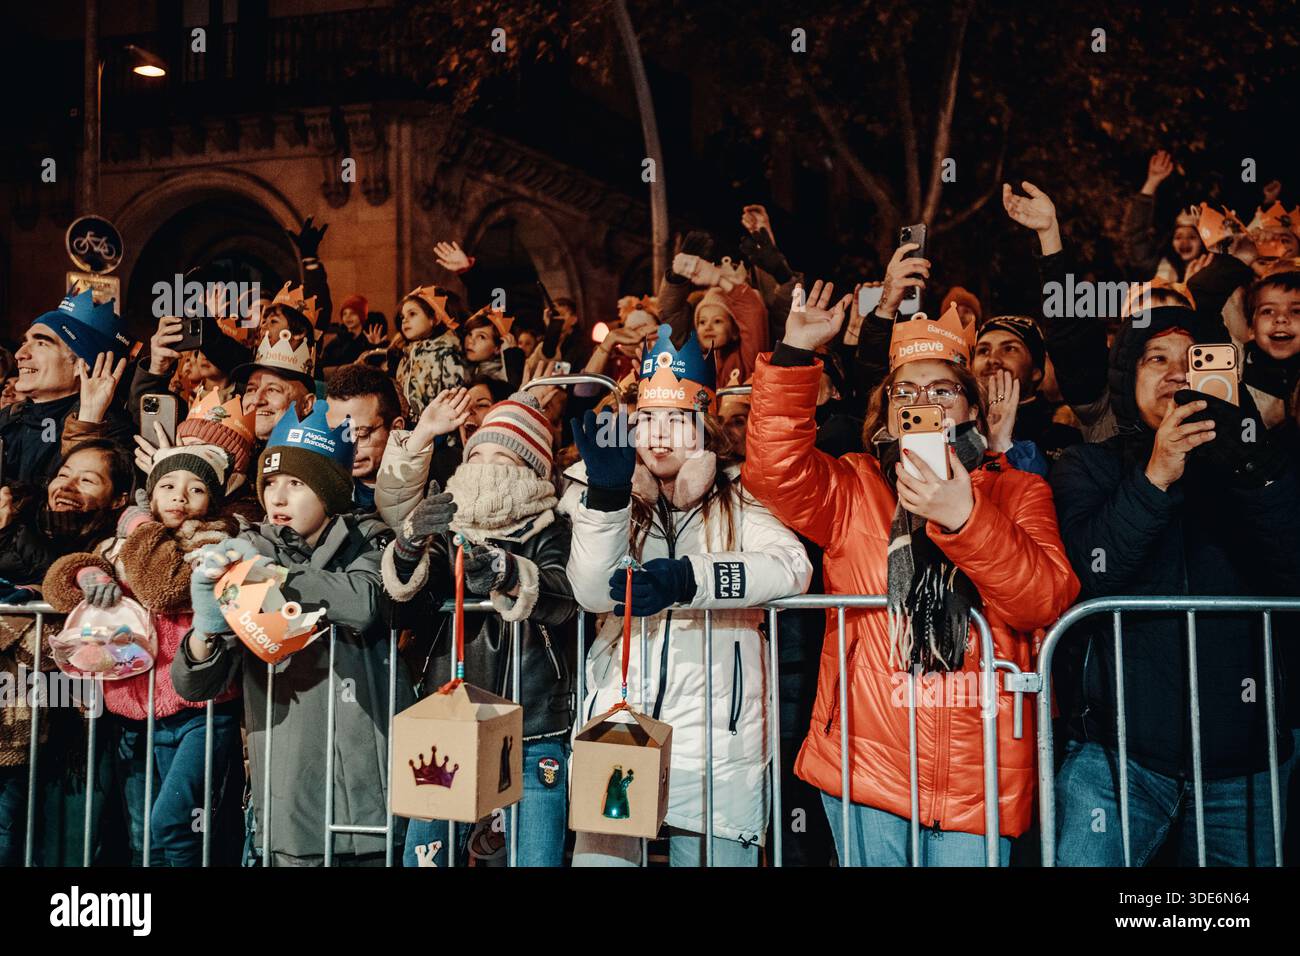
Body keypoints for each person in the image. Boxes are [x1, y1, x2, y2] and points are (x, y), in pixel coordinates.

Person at [743, 279, 1079, 866]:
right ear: (890, 412)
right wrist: (796, 355)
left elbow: (1043, 599)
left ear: (973, 407)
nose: (926, 401)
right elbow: (774, 472)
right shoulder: (855, 486)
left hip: (981, 776)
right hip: (866, 762)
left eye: (944, 390)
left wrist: (965, 517)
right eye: (908, 392)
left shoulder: (1020, 491)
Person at [1049, 304, 1300, 866]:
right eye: (1154, 359)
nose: (1177, 373)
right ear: (1126, 377)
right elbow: (1093, 572)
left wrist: (1251, 462)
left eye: (1195, 359)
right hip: (1118, 758)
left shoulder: (1263, 460)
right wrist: (1156, 475)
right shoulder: (1087, 466)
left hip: (1246, 761)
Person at [566, 320, 812, 867]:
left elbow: (792, 568)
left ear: (704, 425)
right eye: (648, 418)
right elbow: (590, 592)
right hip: (619, 726)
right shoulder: (610, 489)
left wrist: (688, 579)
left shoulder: (741, 496)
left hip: (717, 747)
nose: (658, 434)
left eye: (676, 420)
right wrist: (606, 503)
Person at [171, 401, 412, 866]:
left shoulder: (370, 539)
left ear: (329, 491)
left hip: (369, 794)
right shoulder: (249, 547)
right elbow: (196, 684)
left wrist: (270, 575)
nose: (277, 498)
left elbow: (363, 602)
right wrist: (207, 625)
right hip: (286, 792)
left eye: (296, 484)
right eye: (270, 484)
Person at [381, 391, 576, 867]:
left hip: (534, 723)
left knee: (535, 856)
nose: (488, 466)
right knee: (427, 855)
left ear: (533, 469)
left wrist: (509, 571)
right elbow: (410, 601)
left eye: (505, 455)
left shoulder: (553, 528)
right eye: (479, 454)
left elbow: (562, 595)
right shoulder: (447, 527)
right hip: (449, 719)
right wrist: (408, 548)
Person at [42, 443, 243, 866]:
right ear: (150, 495)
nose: (179, 497)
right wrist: (86, 570)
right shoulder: (121, 545)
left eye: (196, 489)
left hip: (198, 712)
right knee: (143, 839)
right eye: (167, 485)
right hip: (133, 714)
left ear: (213, 501)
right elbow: (57, 589)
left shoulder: (216, 544)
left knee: (174, 828)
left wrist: (139, 528)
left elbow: (164, 588)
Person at [0, 290, 134, 482]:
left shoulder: (110, 432)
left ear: (81, 364)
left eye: (40, 343)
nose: (20, 354)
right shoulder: (9, 418)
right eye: (25, 342)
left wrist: (86, 426)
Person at [973, 315, 1081, 465]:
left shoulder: (1063, 437)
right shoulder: (957, 430)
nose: (992, 360)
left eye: (1009, 349)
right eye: (983, 350)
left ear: (1036, 370)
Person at [324, 365, 405, 512]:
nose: (348, 449)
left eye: (361, 434)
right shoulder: (321, 487)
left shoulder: (440, 475)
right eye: (336, 434)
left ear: (396, 429)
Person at [1119, 150, 1206, 281]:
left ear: (1202, 242)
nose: (1184, 242)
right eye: (1178, 236)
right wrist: (1152, 181)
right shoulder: (1155, 264)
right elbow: (1135, 234)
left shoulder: (1214, 270)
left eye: (1192, 236)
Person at [396, 285, 467, 420]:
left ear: (434, 318)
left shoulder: (447, 354)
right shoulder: (406, 355)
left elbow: (455, 402)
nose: (404, 320)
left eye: (412, 314)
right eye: (402, 316)